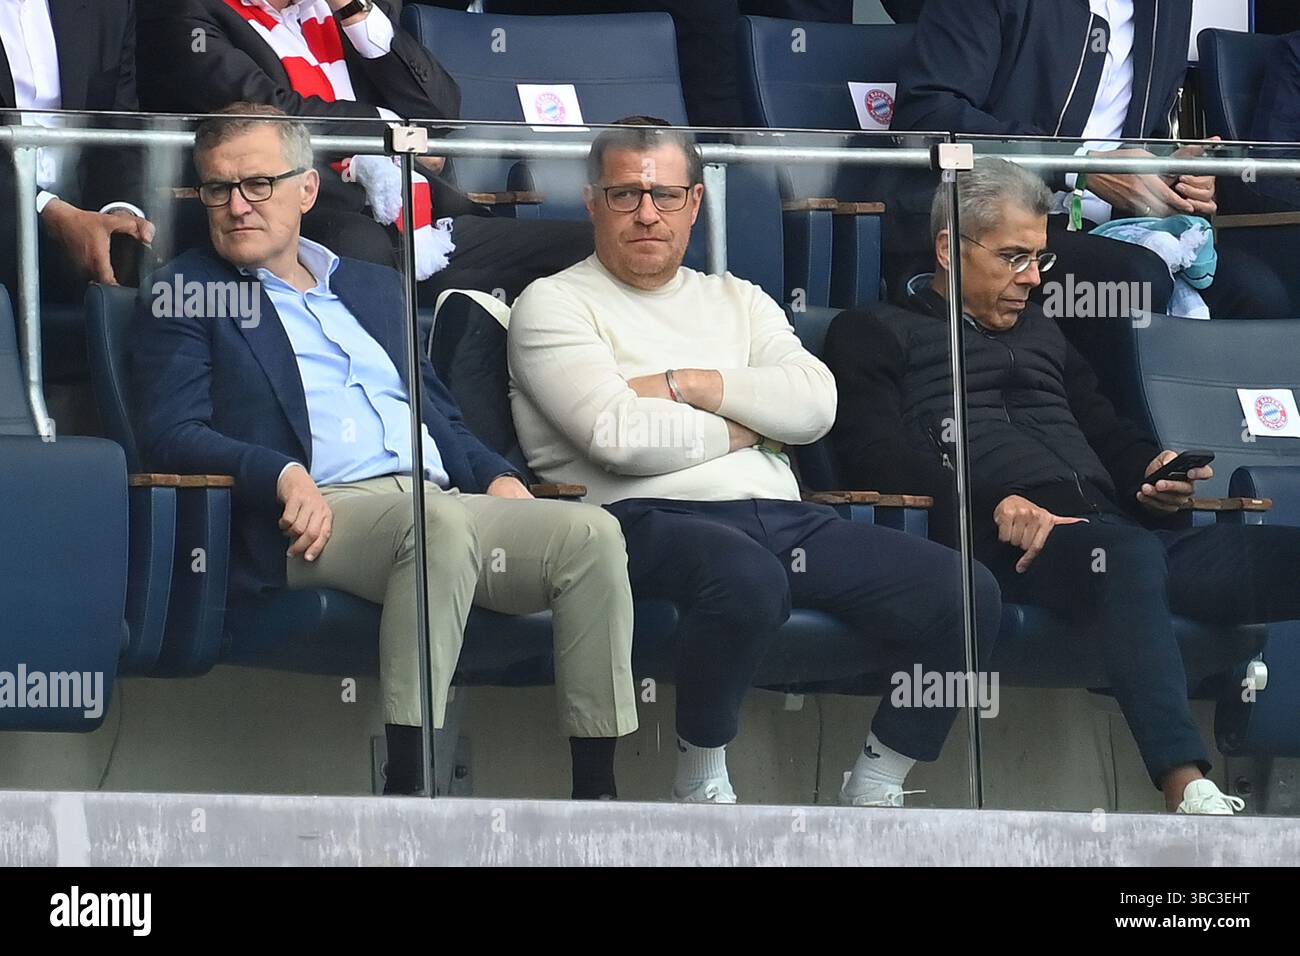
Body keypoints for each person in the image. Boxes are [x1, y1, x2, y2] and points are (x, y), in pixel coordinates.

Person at [131, 105, 638, 797]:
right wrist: (281, 474)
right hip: (316, 518)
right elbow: (172, 433)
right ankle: (410, 788)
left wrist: (496, 477)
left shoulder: (370, 286)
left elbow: (439, 414)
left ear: (307, 189)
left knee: (590, 535)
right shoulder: (190, 293)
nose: (237, 205)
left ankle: (596, 796)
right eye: (218, 188)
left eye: (257, 184)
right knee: (437, 527)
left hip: (434, 500)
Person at [509, 116, 1002, 806]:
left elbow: (815, 404)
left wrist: (688, 384)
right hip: (635, 520)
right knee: (745, 578)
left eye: (666, 195)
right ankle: (701, 776)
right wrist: (749, 428)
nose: (648, 214)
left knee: (965, 592)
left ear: (695, 203)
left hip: (782, 519)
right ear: (593, 202)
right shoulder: (553, 303)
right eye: (625, 195)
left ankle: (877, 784)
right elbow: (616, 435)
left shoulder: (738, 299)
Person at [825, 158, 1300, 814]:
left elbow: (1105, 430)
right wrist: (993, 504)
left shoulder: (1044, 330)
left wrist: (1152, 476)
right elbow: (879, 458)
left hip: (1119, 537)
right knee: (1127, 556)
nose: (1032, 278)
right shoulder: (875, 331)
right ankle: (1186, 786)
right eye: (1013, 258)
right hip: (1012, 548)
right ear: (949, 250)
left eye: (1040, 259)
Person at [135, 0, 593, 302]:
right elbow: (271, 114)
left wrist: (353, 10)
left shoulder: (344, 11)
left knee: (588, 247)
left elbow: (437, 112)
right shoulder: (187, 13)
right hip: (306, 219)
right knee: (360, 247)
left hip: (423, 222)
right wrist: (390, 129)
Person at [886, 0, 1288, 319]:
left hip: (1117, 227)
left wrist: (1173, 174)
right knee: (1134, 284)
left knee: (1259, 293)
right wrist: (1077, 166)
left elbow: (1140, 135)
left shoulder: (1168, 7)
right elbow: (927, 114)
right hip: (995, 225)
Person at [0, 0, 154, 299]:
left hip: (84, 243)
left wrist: (118, 213)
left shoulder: (109, 6)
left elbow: (119, 129)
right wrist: (47, 209)